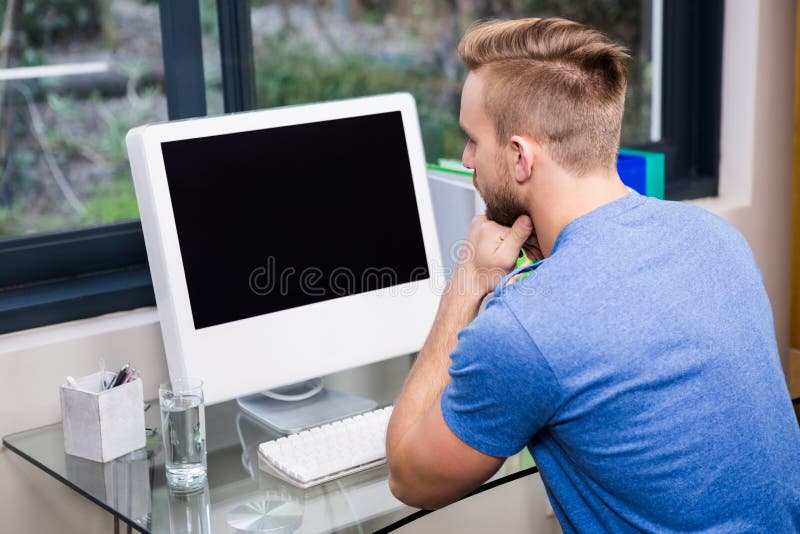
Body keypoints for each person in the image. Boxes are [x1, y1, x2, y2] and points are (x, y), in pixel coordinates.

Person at [386, 17, 800, 532]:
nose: (468, 158)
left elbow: (408, 477)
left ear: (519, 156)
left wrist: (467, 282)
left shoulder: (525, 326)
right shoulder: (717, 239)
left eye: (473, 140)